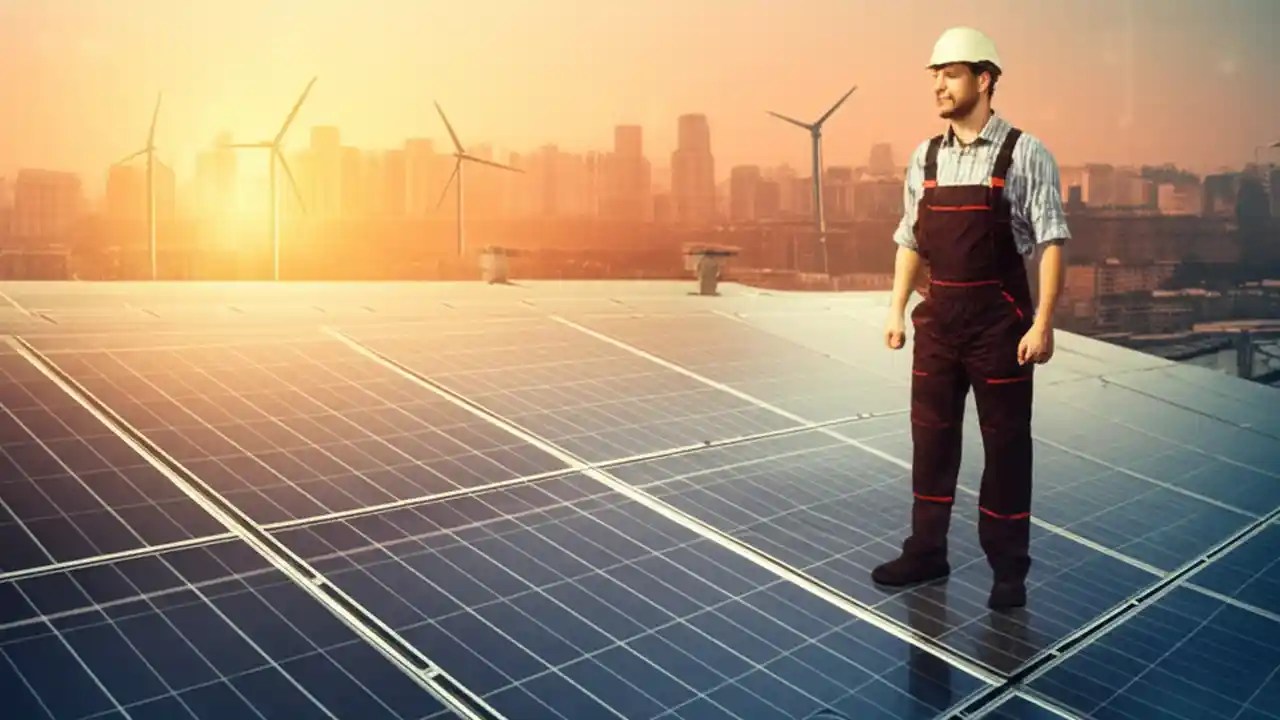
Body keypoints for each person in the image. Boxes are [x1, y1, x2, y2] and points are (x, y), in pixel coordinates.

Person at [874, 26, 1070, 610]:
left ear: (984, 80)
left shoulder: (1023, 153)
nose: (938, 83)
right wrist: (896, 309)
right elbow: (910, 240)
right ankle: (926, 551)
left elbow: (1053, 240)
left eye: (950, 73)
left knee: (1006, 447)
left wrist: (1044, 323)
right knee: (930, 442)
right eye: (934, 74)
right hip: (938, 325)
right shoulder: (925, 157)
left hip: (1000, 328)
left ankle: (1008, 570)